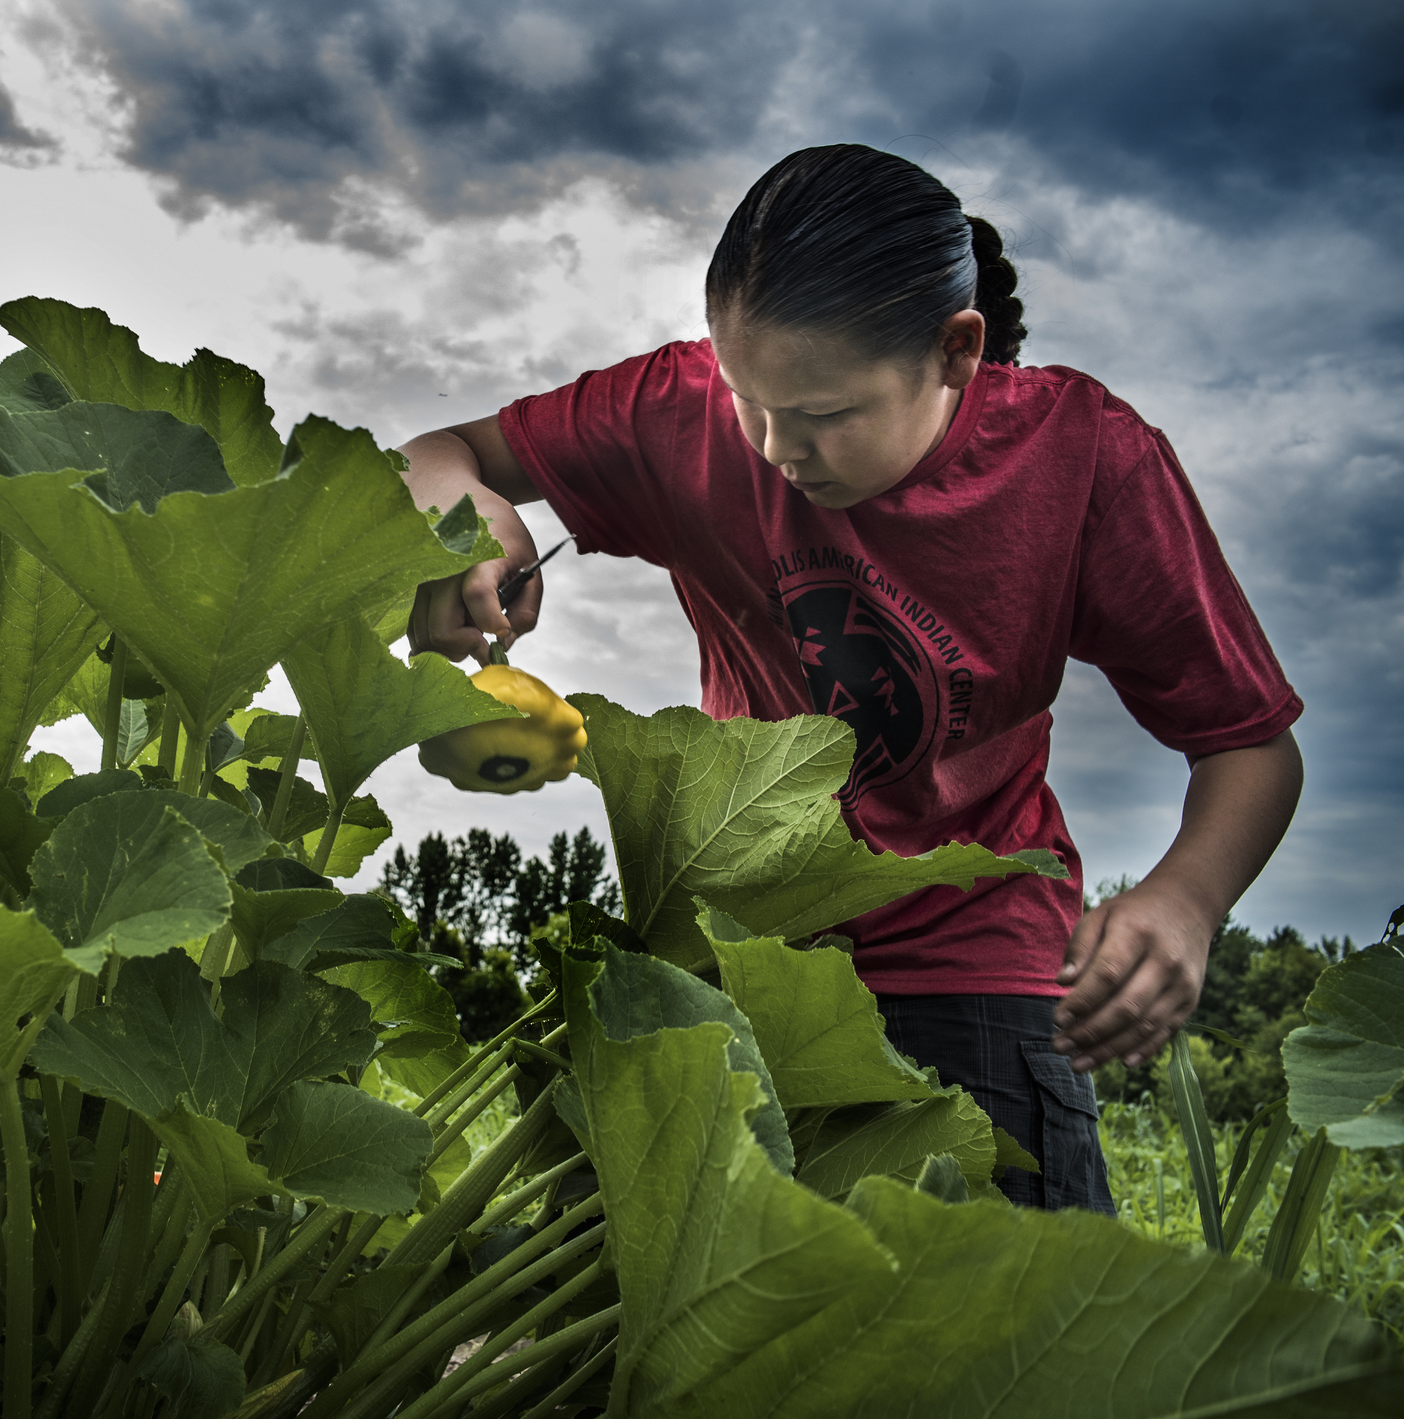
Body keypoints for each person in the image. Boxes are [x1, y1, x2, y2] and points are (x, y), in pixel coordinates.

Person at [396, 144, 1303, 1211]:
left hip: (969, 955)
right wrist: (466, 520)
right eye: (748, 398)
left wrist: (1185, 901)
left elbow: (1247, 743)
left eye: (825, 415)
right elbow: (442, 450)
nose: (778, 447)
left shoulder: (1086, 461)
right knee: (618, 1345)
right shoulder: (678, 411)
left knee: (993, 1346)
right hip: (734, 940)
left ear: (955, 352)